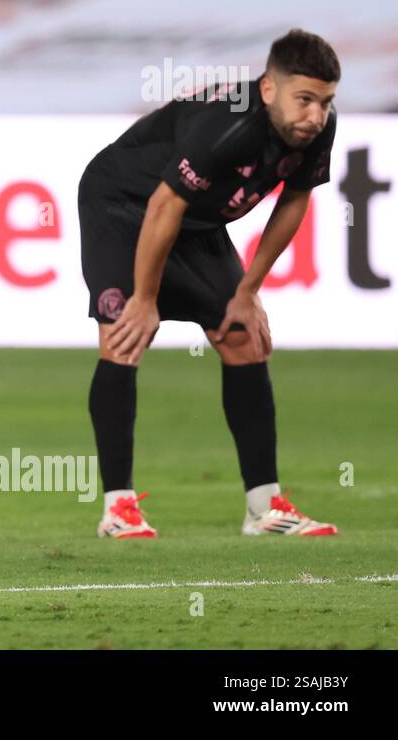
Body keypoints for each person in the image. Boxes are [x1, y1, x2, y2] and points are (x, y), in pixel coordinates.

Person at [77, 29, 340, 539]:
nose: (316, 115)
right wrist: (146, 300)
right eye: (304, 100)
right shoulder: (228, 127)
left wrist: (248, 291)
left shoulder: (316, 129)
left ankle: (265, 509)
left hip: (192, 222)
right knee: (125, 336)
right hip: (122, 205)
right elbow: (161, 206)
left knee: (244, 339)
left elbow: (294, 200)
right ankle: (118, 509)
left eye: (326, 103)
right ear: (269, 89)